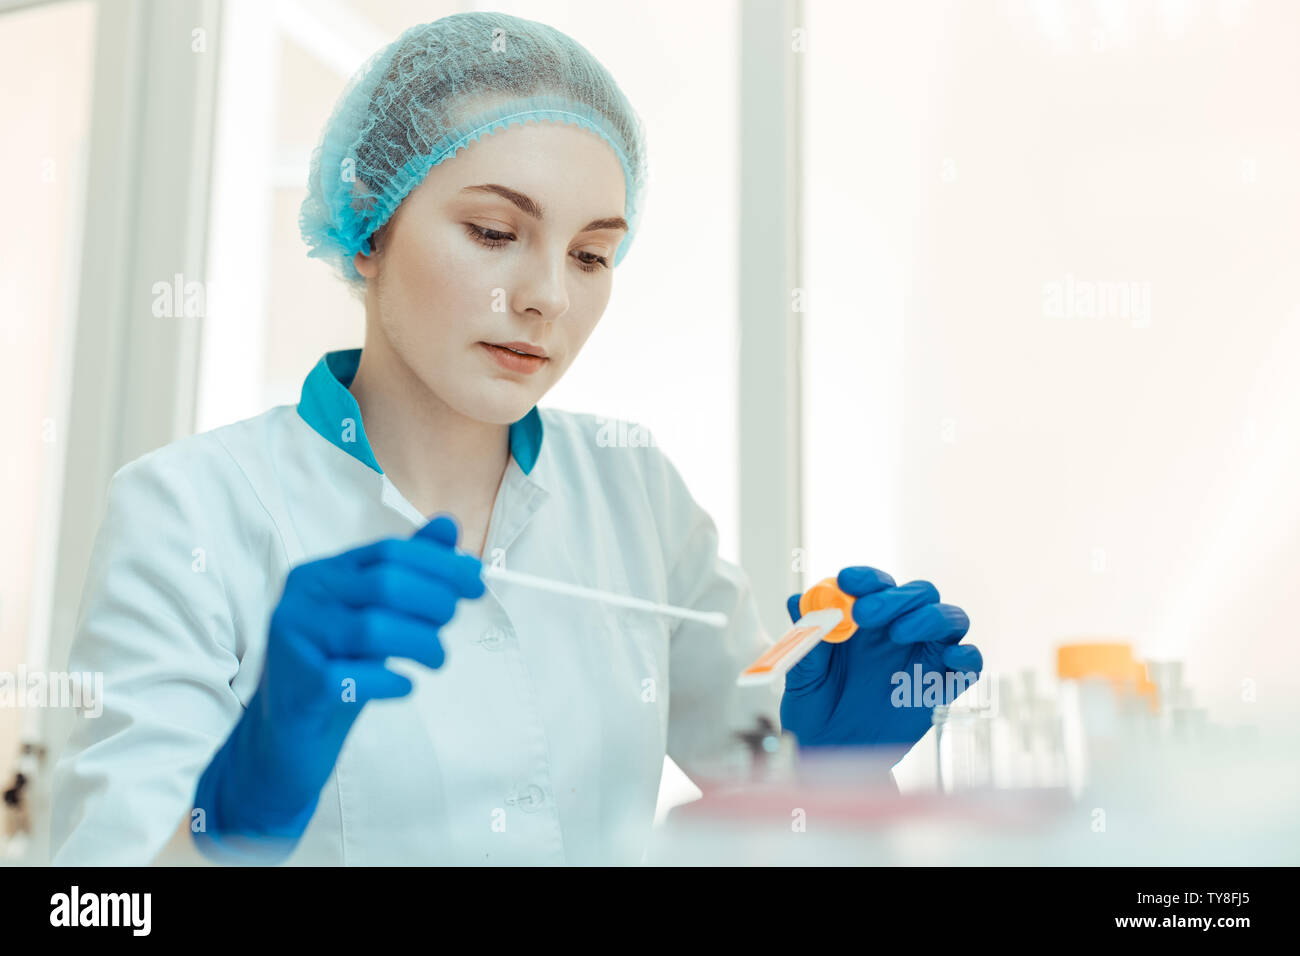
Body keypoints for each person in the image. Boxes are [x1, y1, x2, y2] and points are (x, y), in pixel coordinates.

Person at [49, 11, 981, 867]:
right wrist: (248, 792)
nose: (547, 297)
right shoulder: (187, 510)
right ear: (370, 225)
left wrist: (833, 774)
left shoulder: (633, 488)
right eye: (496, 231)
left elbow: (767, 799)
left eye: (590, 255)